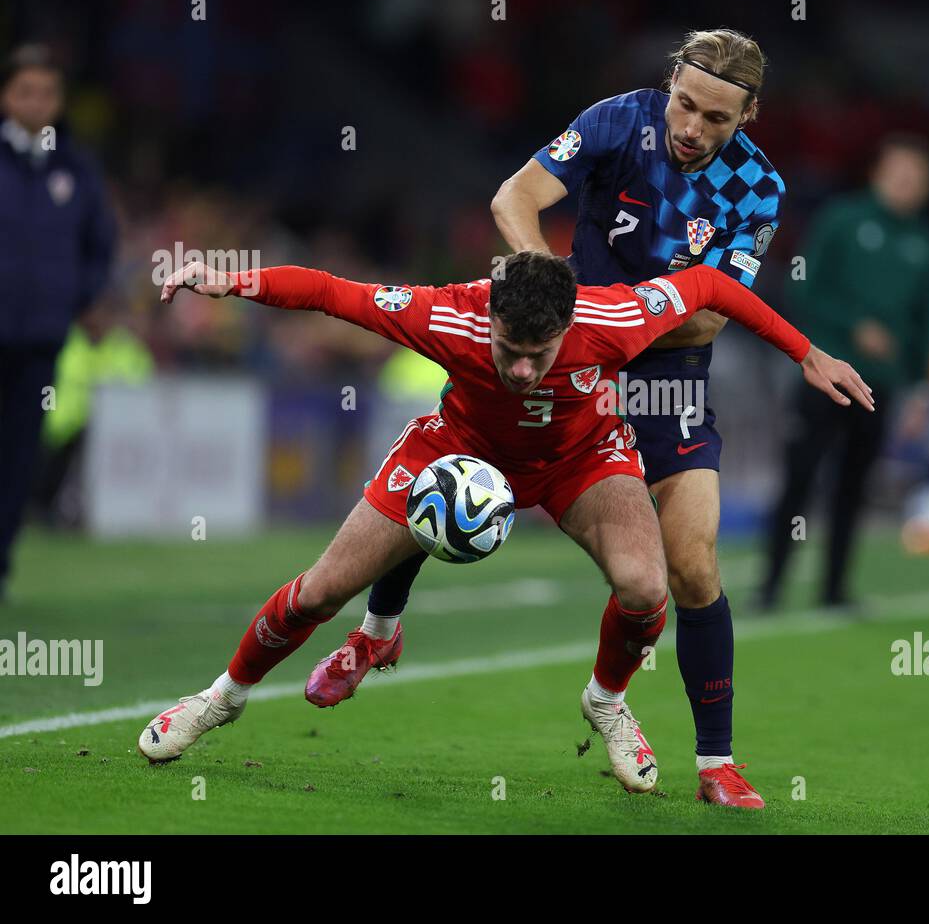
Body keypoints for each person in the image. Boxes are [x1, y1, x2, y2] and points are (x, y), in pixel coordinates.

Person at [137, 253, 872, 801]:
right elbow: (334, 294)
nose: (522, 369)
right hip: (459, 450)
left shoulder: (612, 316)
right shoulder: (447, 314)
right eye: (508, 350)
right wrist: (232, 280)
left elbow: (711, 286)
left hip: (580, 459)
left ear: (566, 327)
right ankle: (220, 698)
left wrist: (808, 354)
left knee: (647, 587)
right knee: (317, 592)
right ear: (488, 316)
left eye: (539, 354)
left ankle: (606, 703)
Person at [324, 29, 786, 807]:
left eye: (716, 118)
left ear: (748, 117)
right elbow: (516, 198)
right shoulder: (617, 121)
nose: (691, 128)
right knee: (452, 476)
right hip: (563, 362)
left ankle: (710, 761)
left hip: (663, 380)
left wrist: (615, 320)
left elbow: (708, 320)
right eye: (684, 103)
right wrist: (553, 297)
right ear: (669, 82)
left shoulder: (758, 188)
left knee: (691, 569)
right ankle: (376, 628)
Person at [757, 136, 929, 611]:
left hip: (878, 386)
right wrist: (852, 328)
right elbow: (804, 288)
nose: (907, 185)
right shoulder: (843, 220)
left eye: (917, 178)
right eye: (900, 173)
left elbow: (925, 325)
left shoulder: (925, 244)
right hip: (824, 373)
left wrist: (920, 388)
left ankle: (834, 590)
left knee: (854, 486)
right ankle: (770, 586)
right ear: (878, 173)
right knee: (799, 476)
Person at [0, 43, 115, 602]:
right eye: (25, 90)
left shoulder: (76, 169)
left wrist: (90, 298)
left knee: (19, 459)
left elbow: (100, 245)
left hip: (41, 341)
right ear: (6, 96)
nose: (36, 101)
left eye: (47, 91)